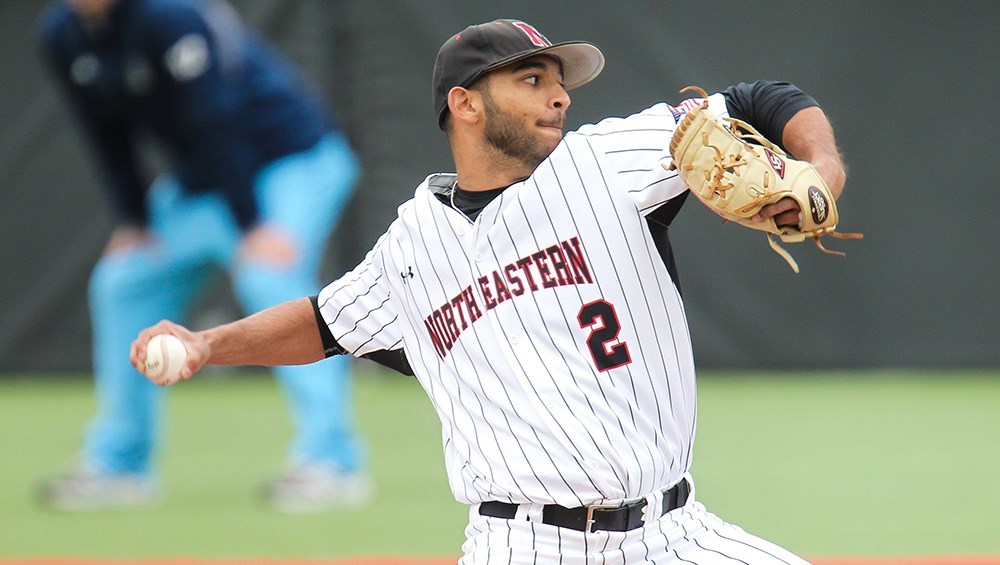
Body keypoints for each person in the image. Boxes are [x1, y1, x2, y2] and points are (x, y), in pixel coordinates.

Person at [131, 18, 847, 562]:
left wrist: (820, 166)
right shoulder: (411, 247)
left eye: (560, 82)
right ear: (465, 104)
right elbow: (321, 323)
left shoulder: (601, 163)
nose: (559, 95)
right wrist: (205, 344)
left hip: (674, 532)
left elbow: (760, 99)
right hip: (522, 545)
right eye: (532, 80)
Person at [36, 0, 370, 513]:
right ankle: (120, 466)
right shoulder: (61, 35)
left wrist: (252, 226)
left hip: (291, 160)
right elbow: (102, 130)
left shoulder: (170, 16)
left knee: (268, 274)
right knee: (122, 281)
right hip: (204, 184)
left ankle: (333, 462)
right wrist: (134, 219)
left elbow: (215, 116)